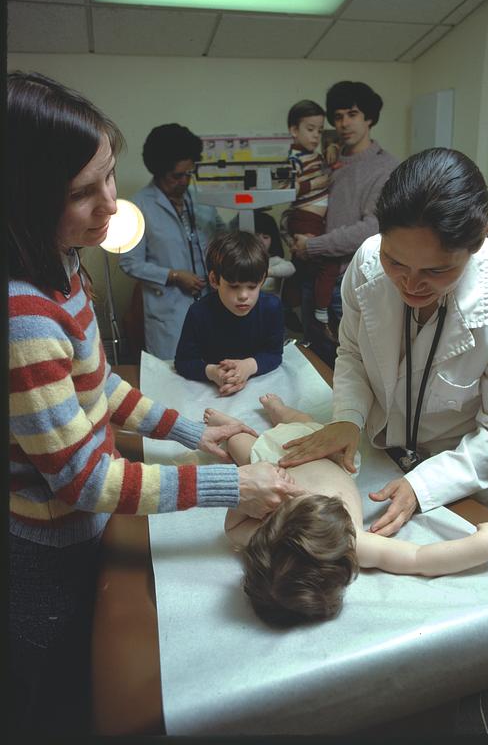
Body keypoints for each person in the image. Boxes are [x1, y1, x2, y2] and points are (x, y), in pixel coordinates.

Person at [7, 72, 302, 736]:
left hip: (81, 525)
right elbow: (84, 478)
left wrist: (196, 431)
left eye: (108, 175)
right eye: (83, 192)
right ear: (24, 196)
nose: (110, 206)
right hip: (45, 551)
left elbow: (102, 388)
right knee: (55, 702)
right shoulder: (23, 316)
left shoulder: (65, 268)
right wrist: (233, 482)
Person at [279, 148, 488, 538]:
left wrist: (425, 484)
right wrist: (348, 417)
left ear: (479, 241)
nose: (411, 285)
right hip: (382, 458)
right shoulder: (366, 263)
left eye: (436, 270)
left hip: (463, 483)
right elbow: (351, 353)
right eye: (395, 262)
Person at [204, 396, 488, 627]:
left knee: (247, 445)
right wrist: (487, 544)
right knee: (299, 422)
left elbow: (232, 529)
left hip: (270, 463)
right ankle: (275, 418)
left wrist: (247, 486)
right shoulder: (350, 543)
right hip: (325, 454)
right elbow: (421, 559)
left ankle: (245, 424)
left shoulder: (263, 534)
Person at [291, 81, 399, 364]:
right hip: (312, 276)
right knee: (313, 359)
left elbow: (372, 229)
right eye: (338, 116)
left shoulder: (385, 167)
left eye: (352, 114)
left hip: (349, 281)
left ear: (369, 118)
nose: (344, 123)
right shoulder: (329, 161)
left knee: (349, 363)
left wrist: (312, 246)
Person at [119, 122, 225, 360]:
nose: (185, 182)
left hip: (210, 303)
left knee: (213, 372)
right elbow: (129, 263)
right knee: (173, 376)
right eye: (177, 176)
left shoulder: (199, 198)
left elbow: (221, 233)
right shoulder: (141, 206)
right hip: (169, 311)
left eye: (189, 174)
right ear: (159, 171)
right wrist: (174, 276)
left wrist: (248, 211)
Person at [174, 231, 284, 395]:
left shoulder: (271, 307)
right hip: (211, 392)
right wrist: (212, 372)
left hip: (258, 390)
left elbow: (274, 353)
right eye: (233, 286)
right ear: (214, 280)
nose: (243, 296)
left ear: (262, 279)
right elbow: (184, 361)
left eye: (252, 286)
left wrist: (248, 366)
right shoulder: (199, 312)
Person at [281, 100, 341, 342]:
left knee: (310, 266)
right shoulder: (293, 158)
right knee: (328, 264)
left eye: (319, 129)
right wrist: (313, 184)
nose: (316, 135)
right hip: (305, 219)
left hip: (317, 221)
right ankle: (320, 311)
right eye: (310, 129)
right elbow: (284, 189)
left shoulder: (313, 156)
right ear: (294, 130)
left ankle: (297, 307)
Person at [253, 209, 295, 295]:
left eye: (265, 237)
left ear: (273, 240)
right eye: (256, 235)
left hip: (269, 304)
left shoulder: (274, 260)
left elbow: (290, 268)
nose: (260, 241)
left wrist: (268, 272)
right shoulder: (244, 260)